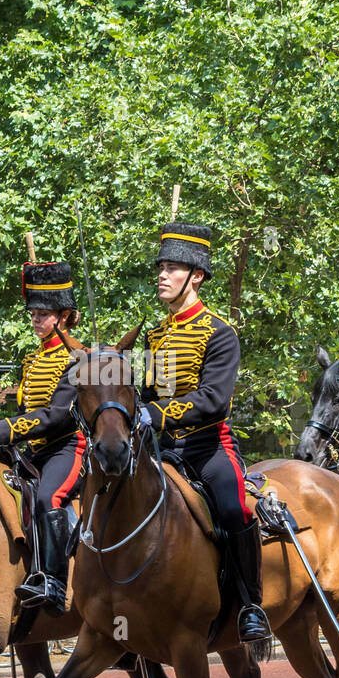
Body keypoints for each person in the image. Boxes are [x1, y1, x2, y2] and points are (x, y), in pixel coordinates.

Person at [137, 221, 270, 643]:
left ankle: (250, 605)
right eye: (160, 266)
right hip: (160, 450)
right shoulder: (156, 337)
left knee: (236, 509)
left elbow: (213, 400)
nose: (161, 274)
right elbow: (149, 392)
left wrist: (153, 416)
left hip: (206, 447)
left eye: (172, 268)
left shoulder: (219, 332)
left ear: (195, 276)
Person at [0, 261, 86, 617]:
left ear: (63, 316)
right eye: (34, 314)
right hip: (36, 450)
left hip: (68, 447)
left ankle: (54, 582)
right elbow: (29, 406)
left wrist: (6, 428)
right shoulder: (32, 359)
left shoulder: (79, 358)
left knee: (47, 496)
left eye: (44, 314)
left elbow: (57, 415)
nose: (36, 320)